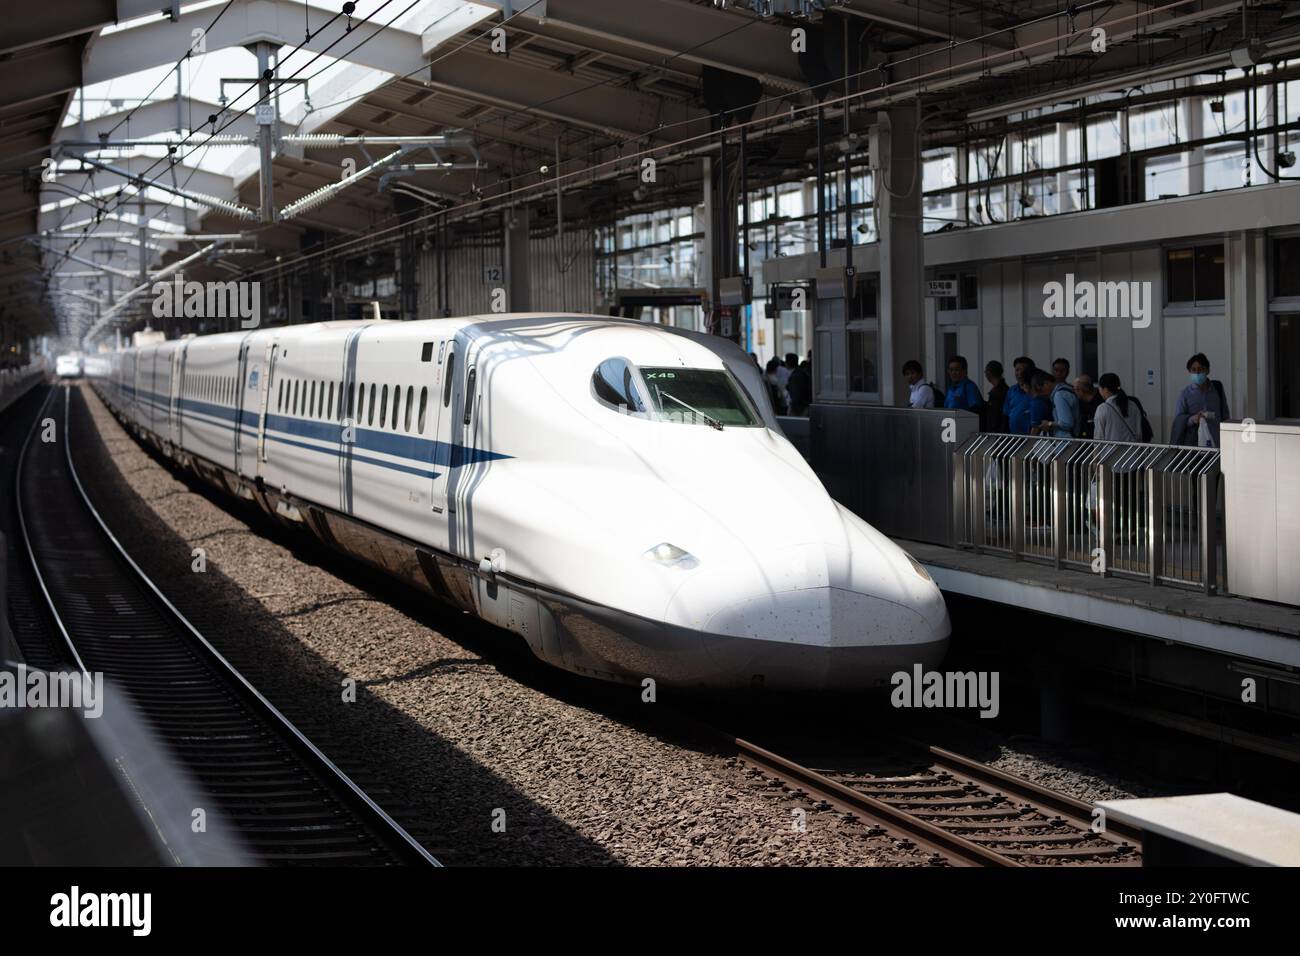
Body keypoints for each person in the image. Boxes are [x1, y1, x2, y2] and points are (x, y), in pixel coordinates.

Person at [1171, 352, 1230, 447]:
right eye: (1193, 370)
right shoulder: (1185, 394)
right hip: (1194, 444)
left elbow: (1225, 415)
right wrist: (1193, 419)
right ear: (1190, 372)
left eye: (1201, 369)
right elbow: (1178, 420)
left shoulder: (1217, 389)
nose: (1197, 373)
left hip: (1216, 442)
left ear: (1207, 370)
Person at [1092, 373, 1144, 442]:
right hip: (1132, 450)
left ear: (1105, 389)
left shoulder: (1103, 408)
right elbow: (1139, 433)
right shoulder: (1133, 405)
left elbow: (1098, 436)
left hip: (1111, 451)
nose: (1099, 391)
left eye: (1100, 388)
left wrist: (1096, 452)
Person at [1029, 368, 1080, 438]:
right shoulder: (1066, 389)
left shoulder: (1059, 395)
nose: (1041, 394)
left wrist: (1049, 424)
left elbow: (1067, 423)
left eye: (1040, 390)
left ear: (1047, 383)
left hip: (1067, 440)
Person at [1003, 356, 1035, 435]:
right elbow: (1006, 414)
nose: (1020, 373)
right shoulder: (1011, 391)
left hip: (1032, 438)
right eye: (1017, 370)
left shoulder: (1037, 391)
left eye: (1023, 370)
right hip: (1014, 438)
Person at [1073, 374, 1103, 440]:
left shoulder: (1101, 401)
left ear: (1081, 390)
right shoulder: (1079, 401)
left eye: (1075, 389)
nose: (1074, 392)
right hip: (1083, 440)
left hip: (1099, 440)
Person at [983, 360, 1009, 432]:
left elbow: (996, 415)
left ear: (989, 373)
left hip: (998, 432)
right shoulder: (1005, 389)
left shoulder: (998, 393)